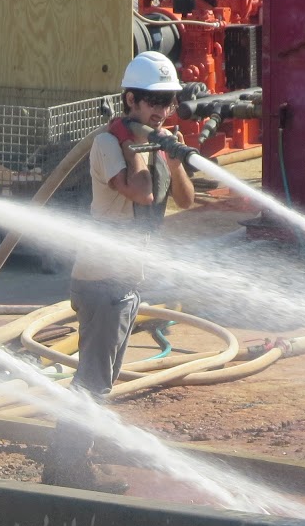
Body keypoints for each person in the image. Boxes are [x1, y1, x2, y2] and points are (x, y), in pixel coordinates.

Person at [44, 50, 196, 492]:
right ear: (130, 98)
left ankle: (69, 463)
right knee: (92, 382)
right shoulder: (109, 144)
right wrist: (143, 150)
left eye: (167, 102)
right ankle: (67, 469)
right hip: (100, 280)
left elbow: (185, 200)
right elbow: (142, 194)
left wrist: (175, 157)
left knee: (100, 378)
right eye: (152, 101)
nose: (162, 111)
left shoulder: (155, 143)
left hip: (126, 279)